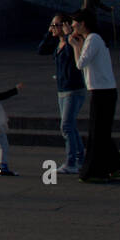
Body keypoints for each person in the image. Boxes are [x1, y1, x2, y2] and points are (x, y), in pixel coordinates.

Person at [69, 8, 120, 182]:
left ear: (82, 24)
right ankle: (116, 166)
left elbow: (81, 64)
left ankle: (96, 170)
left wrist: (74, 46)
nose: (73, 26)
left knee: (97, 132)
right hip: (102, 91)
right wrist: (79, 44)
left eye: (74, 22)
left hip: (103, 92)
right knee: (100, 131)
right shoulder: (91, 39)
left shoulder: (93, 39)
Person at [37, 12, 86, 174]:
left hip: (74, 88)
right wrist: (50, 32)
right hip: (62, 89)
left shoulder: (74, 41)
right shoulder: (57, 43)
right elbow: (41, 49)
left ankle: (71, 162)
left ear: (65, 25)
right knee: (70, 125)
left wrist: (67, 36)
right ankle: (81, 159)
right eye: (51, 24)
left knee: (66, 126)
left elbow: (75, 60)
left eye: (55, 25)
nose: (52, 28)